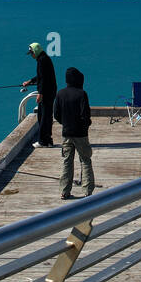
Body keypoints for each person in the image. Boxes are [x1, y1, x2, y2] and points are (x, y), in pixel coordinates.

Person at [55, 66, 95, 199]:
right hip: (80, 134)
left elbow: (56, 115)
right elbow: (85, 114)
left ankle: (64, 191)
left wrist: (65, 123)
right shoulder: (82, 94)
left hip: (66, 133)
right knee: (85, 160)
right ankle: (87, 191)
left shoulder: (60, 94)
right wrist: (86, 125)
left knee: (67, 161)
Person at [22, 41, 57, 148]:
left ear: (35, 51)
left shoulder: (42, 61)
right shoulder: (43, 58)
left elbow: (44, 80)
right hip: (49, 91)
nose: (31, 56)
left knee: (43, 116)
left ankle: (43, 141)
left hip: (46, 93)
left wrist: (40, 94)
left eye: (31, 53)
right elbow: (40, 76)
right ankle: (48, 140)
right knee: (45, 116)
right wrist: (30, 81)